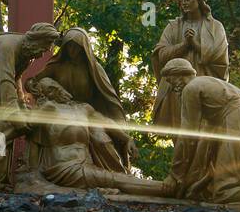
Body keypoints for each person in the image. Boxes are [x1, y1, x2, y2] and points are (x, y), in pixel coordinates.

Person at [160, 58, 240, 208]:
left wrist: (174, 175)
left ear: (179, 75)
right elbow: (204, 142)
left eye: (171, 81)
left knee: (223, 189)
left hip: (237, 122)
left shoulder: (190, 89)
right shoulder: (210, 83)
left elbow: (188, 136)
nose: (172, 88)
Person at [26, 78, 170, 197]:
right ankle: (166, 189)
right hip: (65, 168)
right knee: (117, 179)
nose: (56, 90)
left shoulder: (84, 109)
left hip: (87, 165)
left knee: (116, 178)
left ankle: (166, 188)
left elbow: (106, 122)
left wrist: (127, 138)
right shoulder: (49, 108)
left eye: (55, 85)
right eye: (49, 89)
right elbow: (28, 127)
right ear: (44, 95)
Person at [31, 27, 134, 166]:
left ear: (84, 48)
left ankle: (119, 178)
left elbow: (109, 98)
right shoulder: (56, 66)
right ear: (65, 47)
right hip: (63, 113)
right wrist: (34, 87)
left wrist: (124, 134)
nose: (73, 51)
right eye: (70, 47)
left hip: (87, 113)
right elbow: (33, 81)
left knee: (102, 140)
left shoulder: (93, 69)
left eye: (77, 47)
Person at [151, 0, 229, 135]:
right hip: (176, 88)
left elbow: (218, 56)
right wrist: (184, 44)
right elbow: (161, 55)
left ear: (199, 1)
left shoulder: (215, 27)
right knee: (180, 131)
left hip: (204, 82)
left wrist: (195, 44)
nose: (184, 3)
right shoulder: (173, 27)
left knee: (204, 130)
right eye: (181, 0)